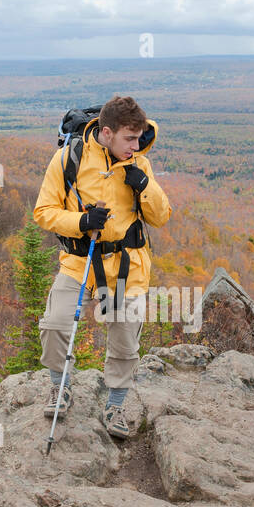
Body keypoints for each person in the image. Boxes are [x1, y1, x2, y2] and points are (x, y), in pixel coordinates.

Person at [33, 96, 171, 439]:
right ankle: (59, 387)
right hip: (80, 262)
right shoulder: (69, 159)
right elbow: (43, 212)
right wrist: (82, 221)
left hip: (127, 266)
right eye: (129, 138)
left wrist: (144, 186)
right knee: (54, 324)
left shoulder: (139, 163)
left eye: (139, 138)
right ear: (106, 132)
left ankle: (116, 405)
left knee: (124, 338)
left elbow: (161, 216)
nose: (136, 145)